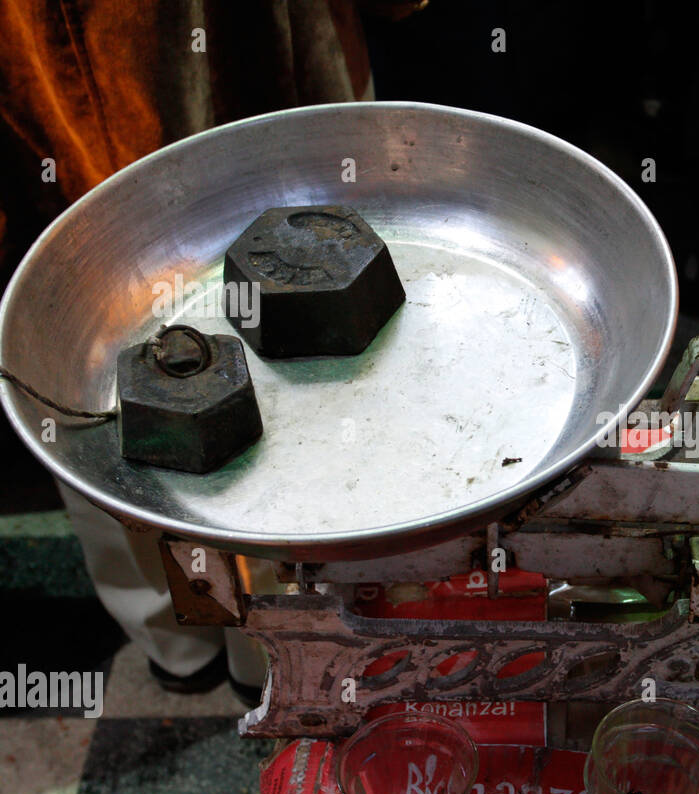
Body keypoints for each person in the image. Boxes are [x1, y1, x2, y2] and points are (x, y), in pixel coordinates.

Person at [0, 0, 423, 701]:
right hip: (55, 85)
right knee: (91, 348)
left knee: (336, 379)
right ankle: (195, 636)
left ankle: (268, 643)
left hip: (252, 45)